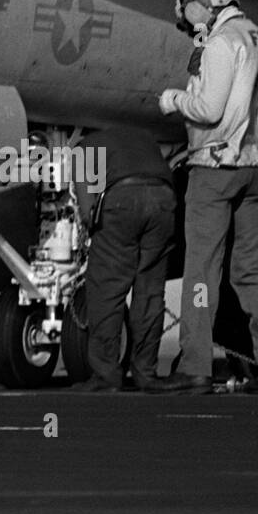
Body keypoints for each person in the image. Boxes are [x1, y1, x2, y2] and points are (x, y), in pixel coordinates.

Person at [158, 0, 258, 395]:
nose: (192, 27)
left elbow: (208, 110)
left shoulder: (221, 43)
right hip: (255, 168)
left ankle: (195, 368)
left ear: (208, 4)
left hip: (215, 168)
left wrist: (172, 100)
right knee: (253, 269)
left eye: (192, 14)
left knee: (201, 271)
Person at [70, 127, 177, 392]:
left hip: (122, 200)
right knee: (150, 293)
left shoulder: (85, 147)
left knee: (107, 290)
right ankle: (146, 373)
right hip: (164, 202)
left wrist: (90, 231)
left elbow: (87, 208)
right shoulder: (144, 138)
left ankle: (106, 375)